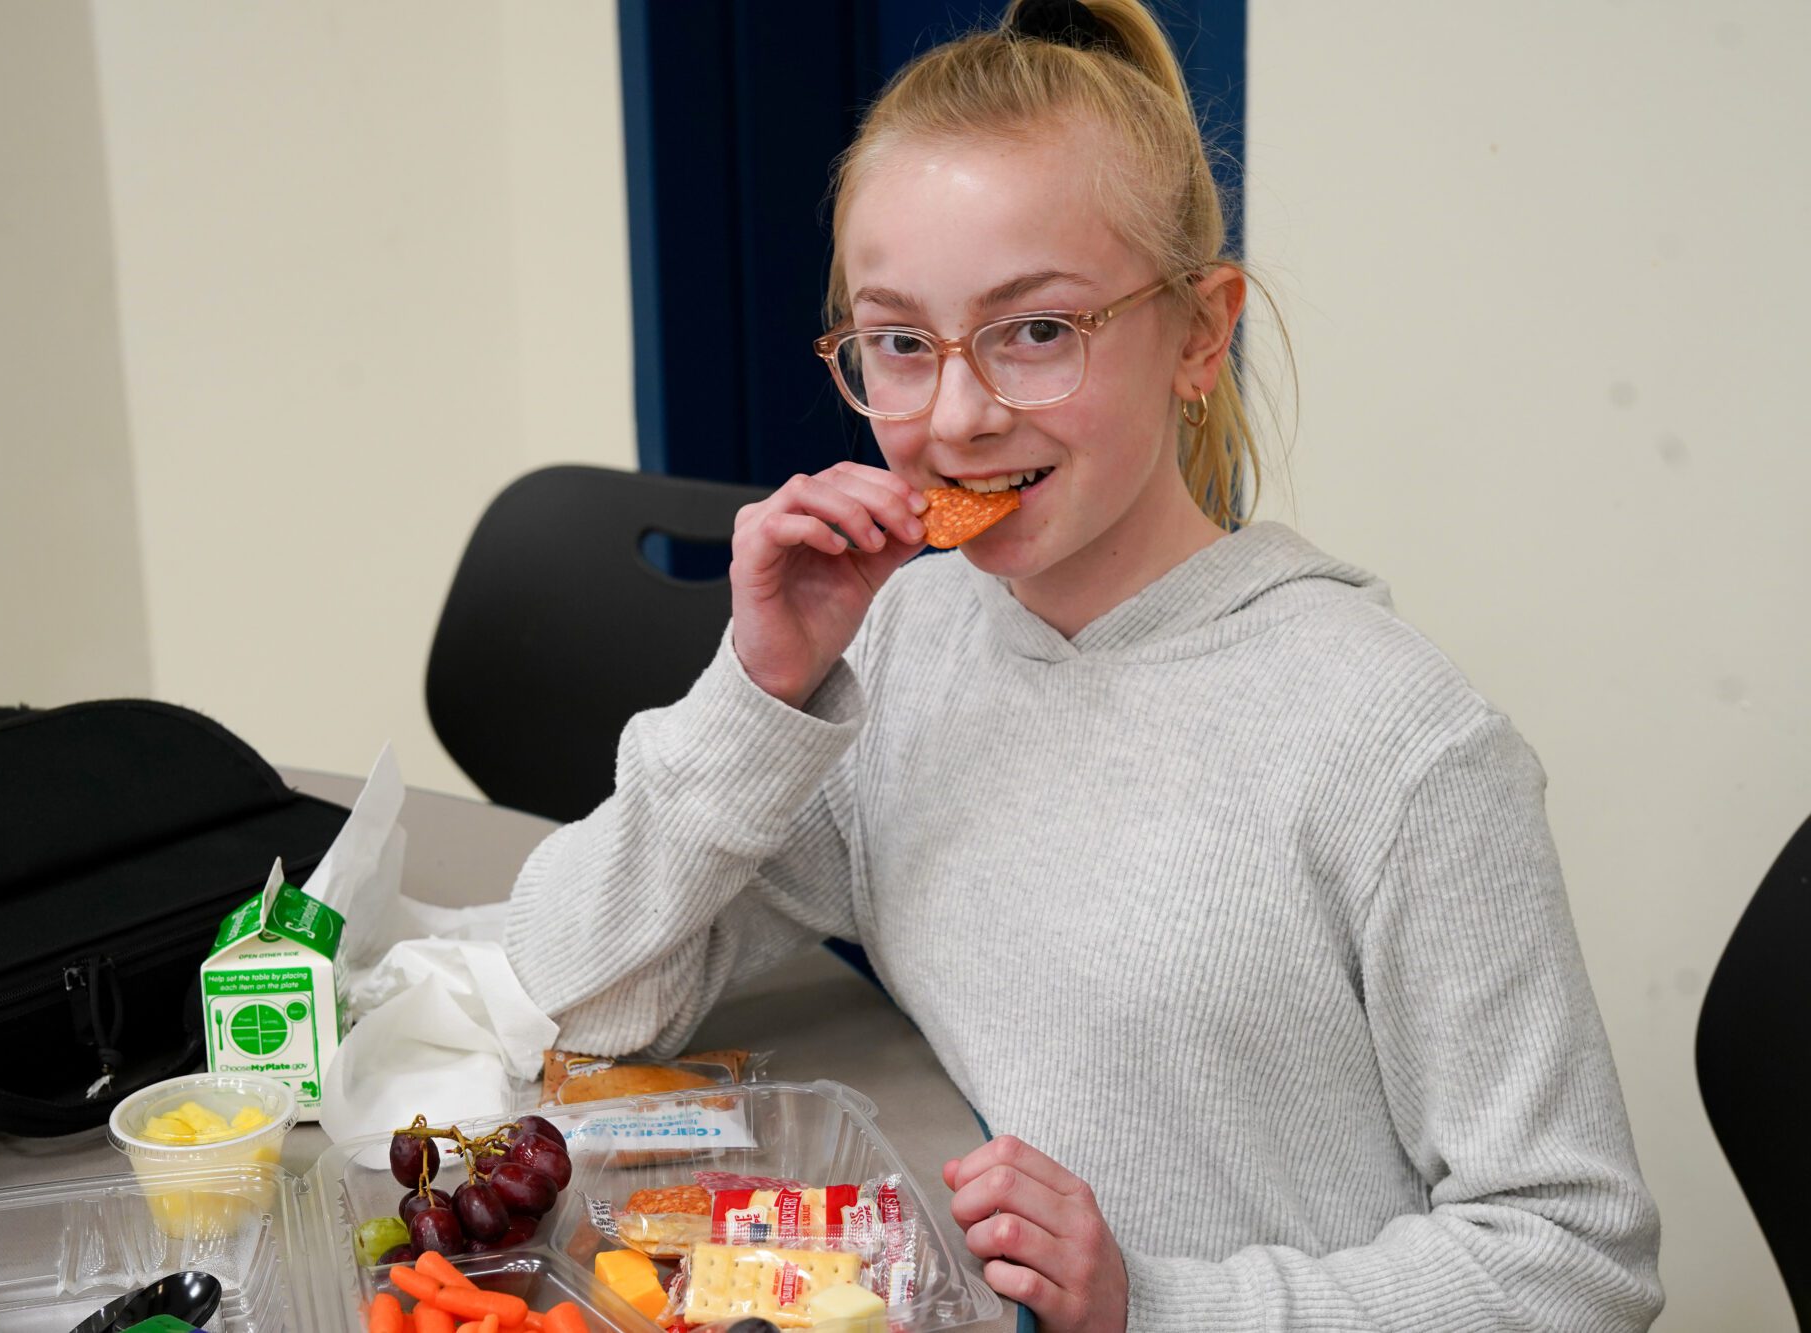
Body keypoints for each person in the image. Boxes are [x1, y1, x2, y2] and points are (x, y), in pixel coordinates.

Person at [503, 0, 1663, 1327]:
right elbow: (584, 986)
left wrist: (1154, 1302)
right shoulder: (907, 653)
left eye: (1038, 329)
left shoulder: (1396, 742)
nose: (954, 416)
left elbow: (1577, 1262)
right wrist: (759, 696)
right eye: (898, 342)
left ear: (1199, 335)